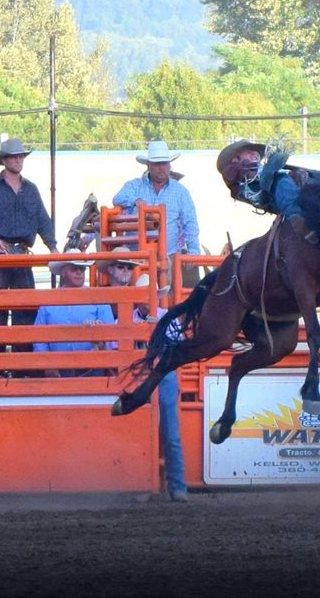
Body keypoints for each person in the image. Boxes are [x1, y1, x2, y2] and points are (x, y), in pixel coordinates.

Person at [100, 257, 188, 502]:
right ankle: (161, 485)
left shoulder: (164, 317)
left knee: (170, 431)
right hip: (141, 375)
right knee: (145, 429)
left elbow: (176, 347)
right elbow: (111, 344)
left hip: (159, 374)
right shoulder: (137, 318)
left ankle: (176, 486)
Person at [0, 138, 60, 351]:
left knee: (26, 308)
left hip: (22, 254)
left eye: (21, 156)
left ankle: (24, 364)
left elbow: (42, 220)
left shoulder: (31, 189)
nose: (18, 160)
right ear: (4, 160)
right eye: (14, 156)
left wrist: (53, 247)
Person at [112, 140, 200, 289]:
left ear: (169, 165)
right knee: (139, 296)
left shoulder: (181, 192)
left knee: (170, 296)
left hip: (168, 256)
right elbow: (117, 198)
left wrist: (193, 250)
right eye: (156, 164)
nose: (161, 168)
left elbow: (189, 222)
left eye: (164, 163)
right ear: (148, 166)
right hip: (137, 257)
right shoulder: (134, 186)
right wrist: (135, 201)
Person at [216, 140, 320, 221]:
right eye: (248, 153)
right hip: (293, 200)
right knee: (283, 184)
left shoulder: (273, 168)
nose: (254, 154)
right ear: (236, 161)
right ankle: (305, 222)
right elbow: (261, 199)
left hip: (313, 188)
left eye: (253, 152)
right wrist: (270, 176)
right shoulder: (244, 188)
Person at [33, 255, 114, 377]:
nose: (79, 272)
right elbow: (39, 337)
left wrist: (100, 339)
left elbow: (110, 335)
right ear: (63, 273)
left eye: (82, 269)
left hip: (92, 366)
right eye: (74, 269)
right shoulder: (48, 301)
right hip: (58, 368)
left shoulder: (98, 298)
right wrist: (47, 365)